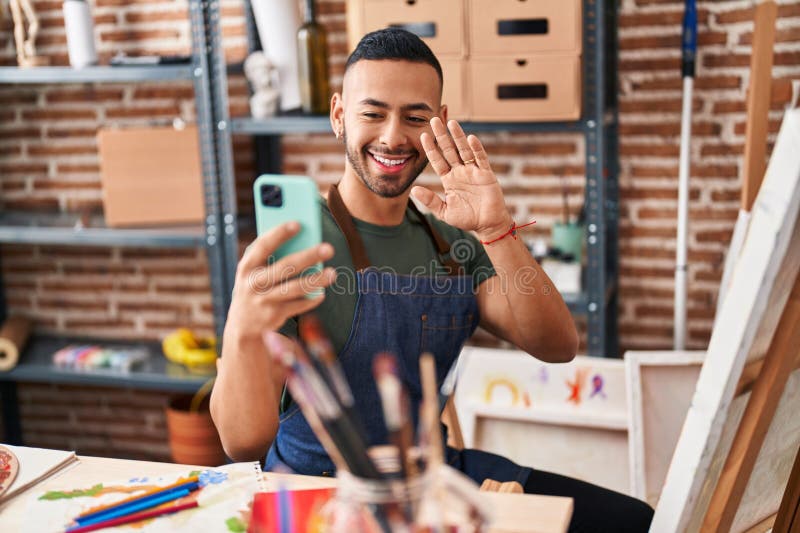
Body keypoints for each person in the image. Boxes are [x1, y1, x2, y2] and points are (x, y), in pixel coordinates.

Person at [211, 28, 653, 532]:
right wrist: (242, 328)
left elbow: (556, 344)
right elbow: (241, 444)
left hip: (432, 480)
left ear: (439, 122)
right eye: (373, 113)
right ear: (339, 116)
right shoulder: (295, 243)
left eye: (415, 116)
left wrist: (496, 229)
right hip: (323, 496)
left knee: (630, 521)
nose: (393, 136)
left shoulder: (453, 238)